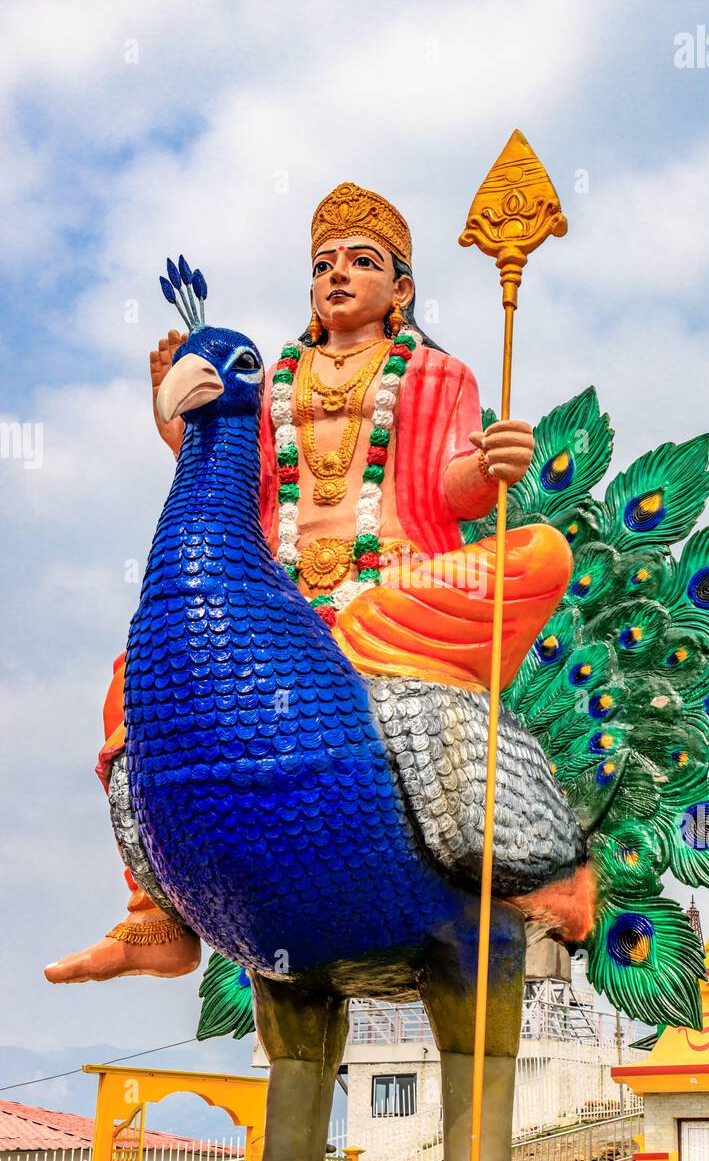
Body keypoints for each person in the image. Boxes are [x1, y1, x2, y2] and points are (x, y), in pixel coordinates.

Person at [44, 182, 570, 984]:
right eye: (323, 264)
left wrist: (490, 467)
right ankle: (157, 914)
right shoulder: (275, 379)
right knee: (136, 682)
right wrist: (183, 428)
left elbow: (448, 485)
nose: (337, 276)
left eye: (362, 262)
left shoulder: (433, 373)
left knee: (541, 554)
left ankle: (528, 857)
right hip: (277, 608)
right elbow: (236, 487)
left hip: (398, 589)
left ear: (401, 290)